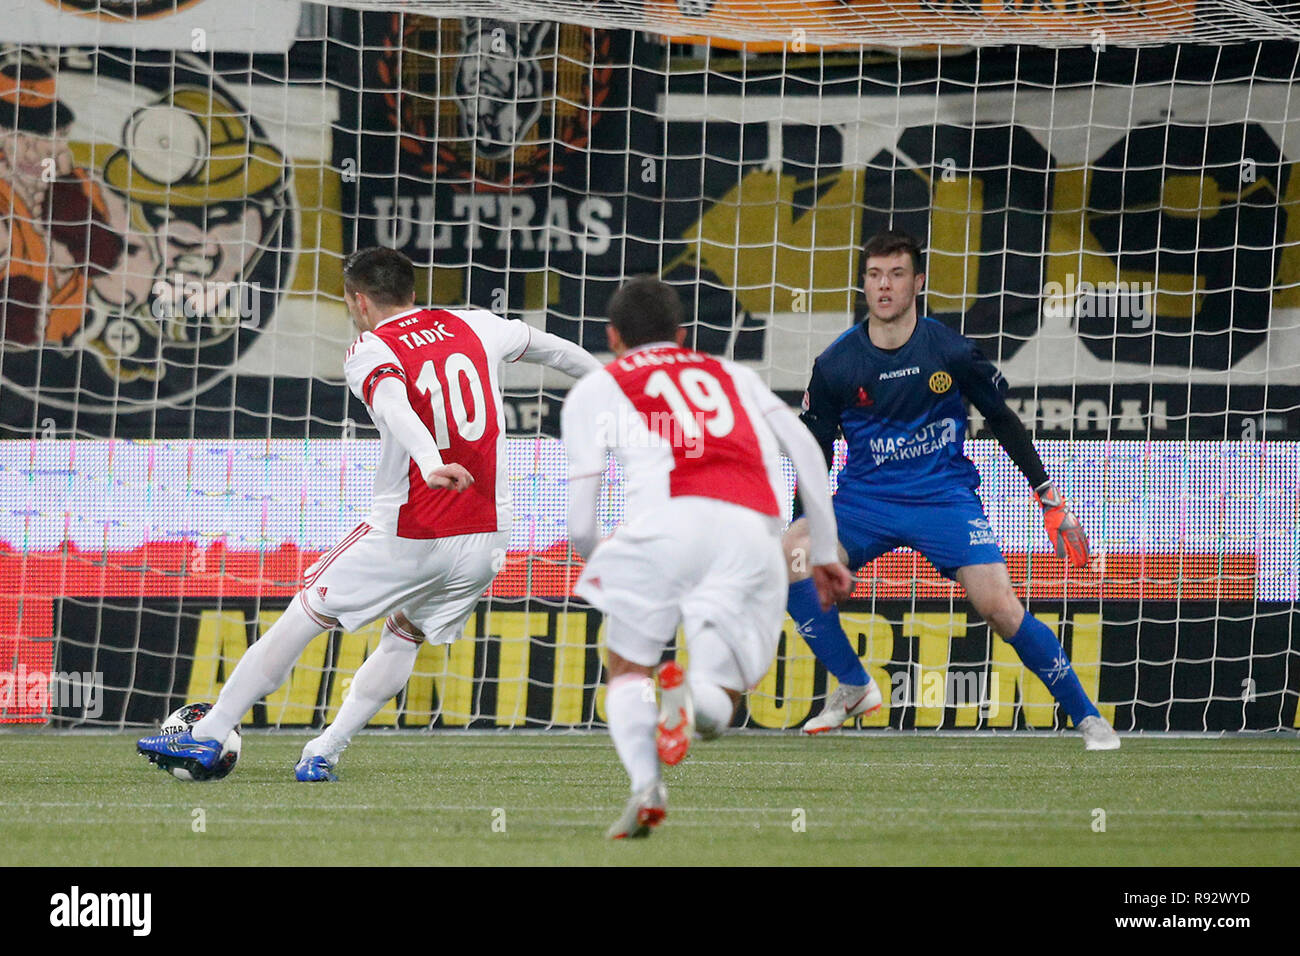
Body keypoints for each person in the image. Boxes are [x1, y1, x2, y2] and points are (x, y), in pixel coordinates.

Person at [138, 246, 602, 780]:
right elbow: (560, 352)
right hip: (488, 536)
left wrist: (430, 460)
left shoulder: (370, 347)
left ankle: (208, 733)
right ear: (412, 289)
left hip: (414, 527)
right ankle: (323, 753)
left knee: (305, 614)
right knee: (404, 633)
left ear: (359, 301)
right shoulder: (473, 324)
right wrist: (609, 394)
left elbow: (391, 403)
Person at [786, 229, 1120, 750]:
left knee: (999, 605)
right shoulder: (836, 365)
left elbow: (1003, 420)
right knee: (789, 558)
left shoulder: (951, 351)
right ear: (864, 284)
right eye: (874, 275)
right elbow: (815, 454)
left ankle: (1088, 717)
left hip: (943, 498)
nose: (884, 286)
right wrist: (802, 526)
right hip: (865, 500)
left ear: (918, 282)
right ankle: (853, 686)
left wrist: (1050, 499)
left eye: (896, 274)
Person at [562, 276, 853, 839]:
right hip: (751, 534)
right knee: (718, 704)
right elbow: (807, 452)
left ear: (613, 337)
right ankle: (686, 703)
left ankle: (647, 785)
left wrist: (608, 565)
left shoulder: (599, 387)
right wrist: (820, 549)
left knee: (626, 668)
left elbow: (579, 524)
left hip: (660, 529)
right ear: (683, 334)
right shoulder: (734, 375)